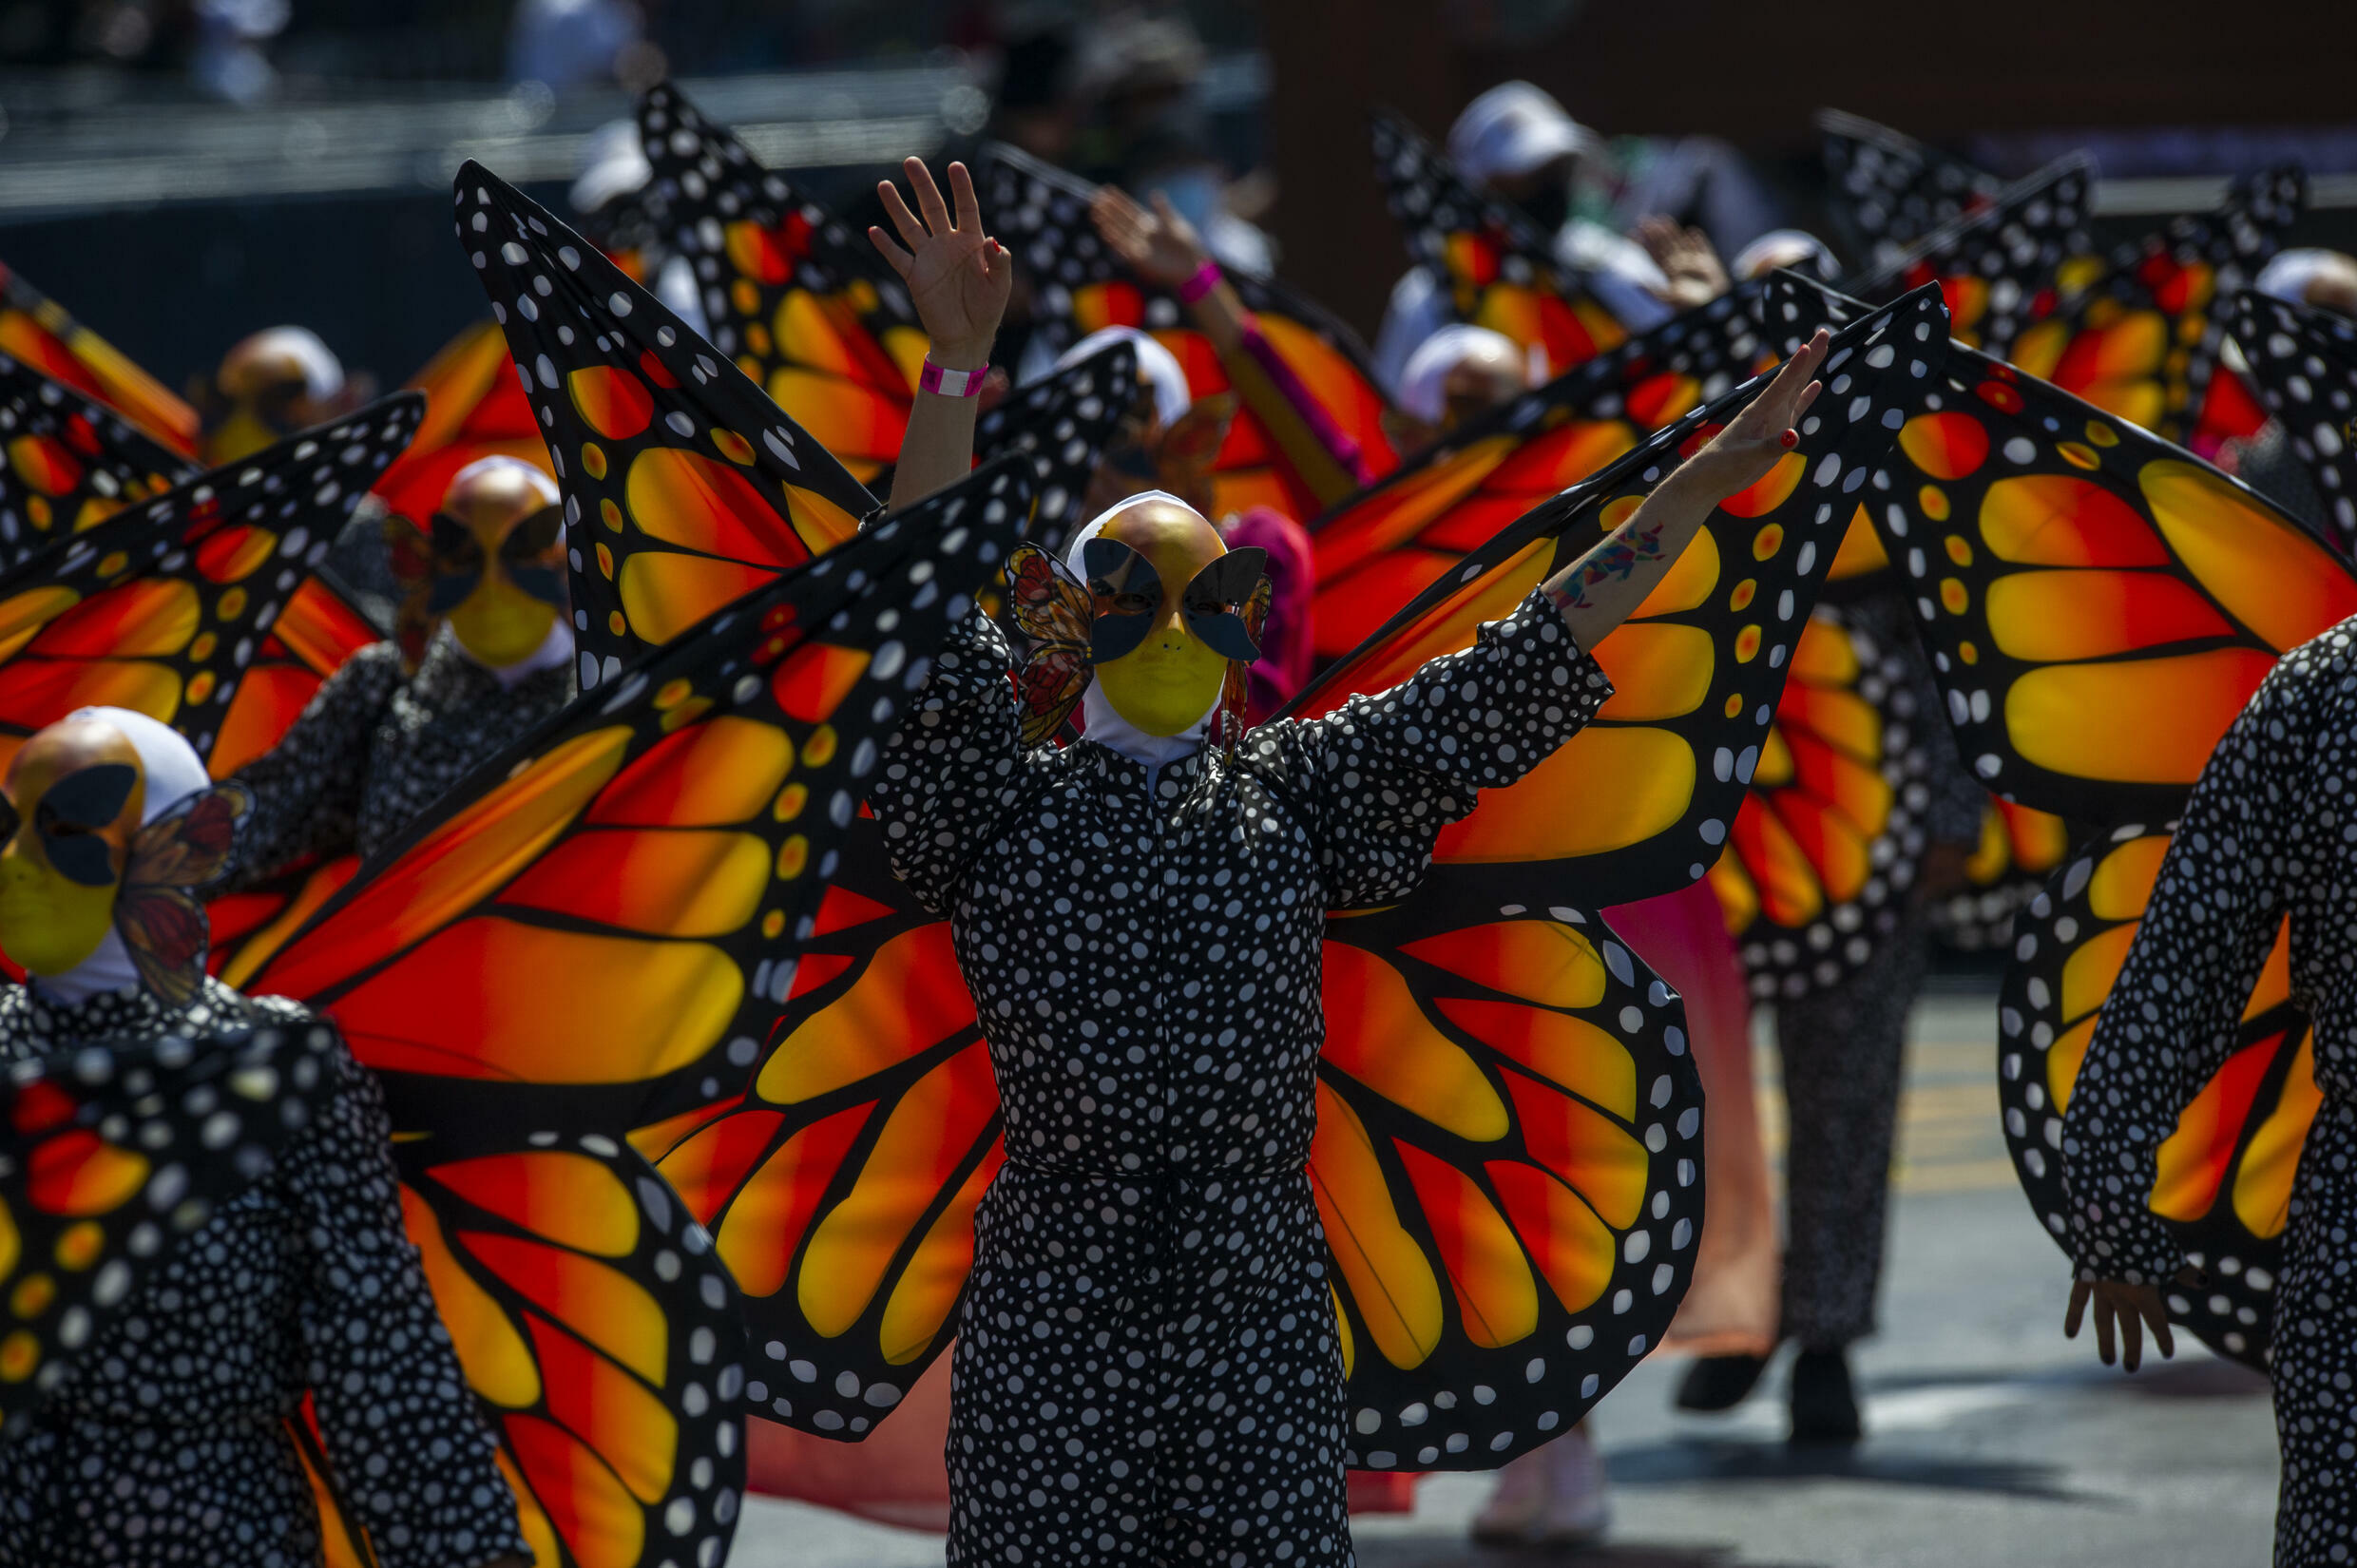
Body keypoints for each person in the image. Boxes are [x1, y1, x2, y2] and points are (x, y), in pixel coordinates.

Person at [867, 126, 1836, 1547]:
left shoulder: (1299, 788)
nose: (1180, 630)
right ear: (1062, 633)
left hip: (1258, 1337)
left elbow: (1521, 660)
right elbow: (918, 610)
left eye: (1212, 598)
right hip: (1050, 1339)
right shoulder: (993, 802)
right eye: (1135, 600)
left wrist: (1693, 487)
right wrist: (953, 370)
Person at [0, 707, 526, 1568]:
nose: (15, 865)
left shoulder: (278, 1073)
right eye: (8, 826)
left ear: (182, 853)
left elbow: (381, 1354)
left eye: (64, 831)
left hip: (215, 1538)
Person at [2060, 621, 2357, 1568]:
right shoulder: (2317, 692)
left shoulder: (2320, 687)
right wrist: (2110, 1202)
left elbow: (2186, 955)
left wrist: (2110, 1208)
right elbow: (2186, 954)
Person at [1674, 592, 1986, 1442]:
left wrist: (1952, 812)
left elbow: (1948, 623)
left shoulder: (1896, 472)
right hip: (1712, 821)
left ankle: (1824, 1338)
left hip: (1867, 814)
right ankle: (1739, 1309)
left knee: (1848, 1097)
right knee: (1687, 1090)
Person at [218, 454, 574, 889]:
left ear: (564, 562)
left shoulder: (605, 687)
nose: (491, 585)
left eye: (521, 554)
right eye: (464, 557)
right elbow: (271, 809)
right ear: (430, 561)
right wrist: (159, 853)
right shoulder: (382, 684)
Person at [1373, 81, 1674, 393]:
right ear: (1477, 189)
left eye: (1555, 170)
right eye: (1526, 178)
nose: (1547, 188)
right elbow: (1399, 420)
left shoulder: (1611, 264)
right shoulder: (1426, 299)